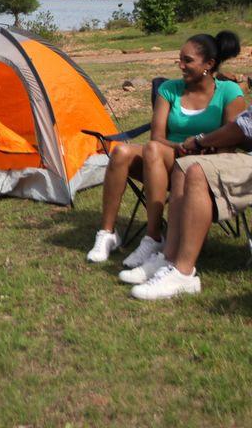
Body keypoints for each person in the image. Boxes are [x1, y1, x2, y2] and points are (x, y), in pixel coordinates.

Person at [87, 31, 244, 265]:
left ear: (208, 64)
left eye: (188, 60)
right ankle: (107, 234)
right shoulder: (169, 89)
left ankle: (153, 237)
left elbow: (232, 140)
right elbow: (158, 136)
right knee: (121, 152)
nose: (180, 65)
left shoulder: (229, 93)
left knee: (151, 150)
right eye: (179, 59)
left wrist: (200, 148)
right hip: (168, 156)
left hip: (206, 164)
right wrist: (180, 146)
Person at [121, 105, 252, 299]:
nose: (181, 71)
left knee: (198, 172)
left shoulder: (226, 90)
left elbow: (242, 128)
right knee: (185, 166)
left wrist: (200, 142)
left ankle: (184, 273)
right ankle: (170, 257)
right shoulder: (170, 90)